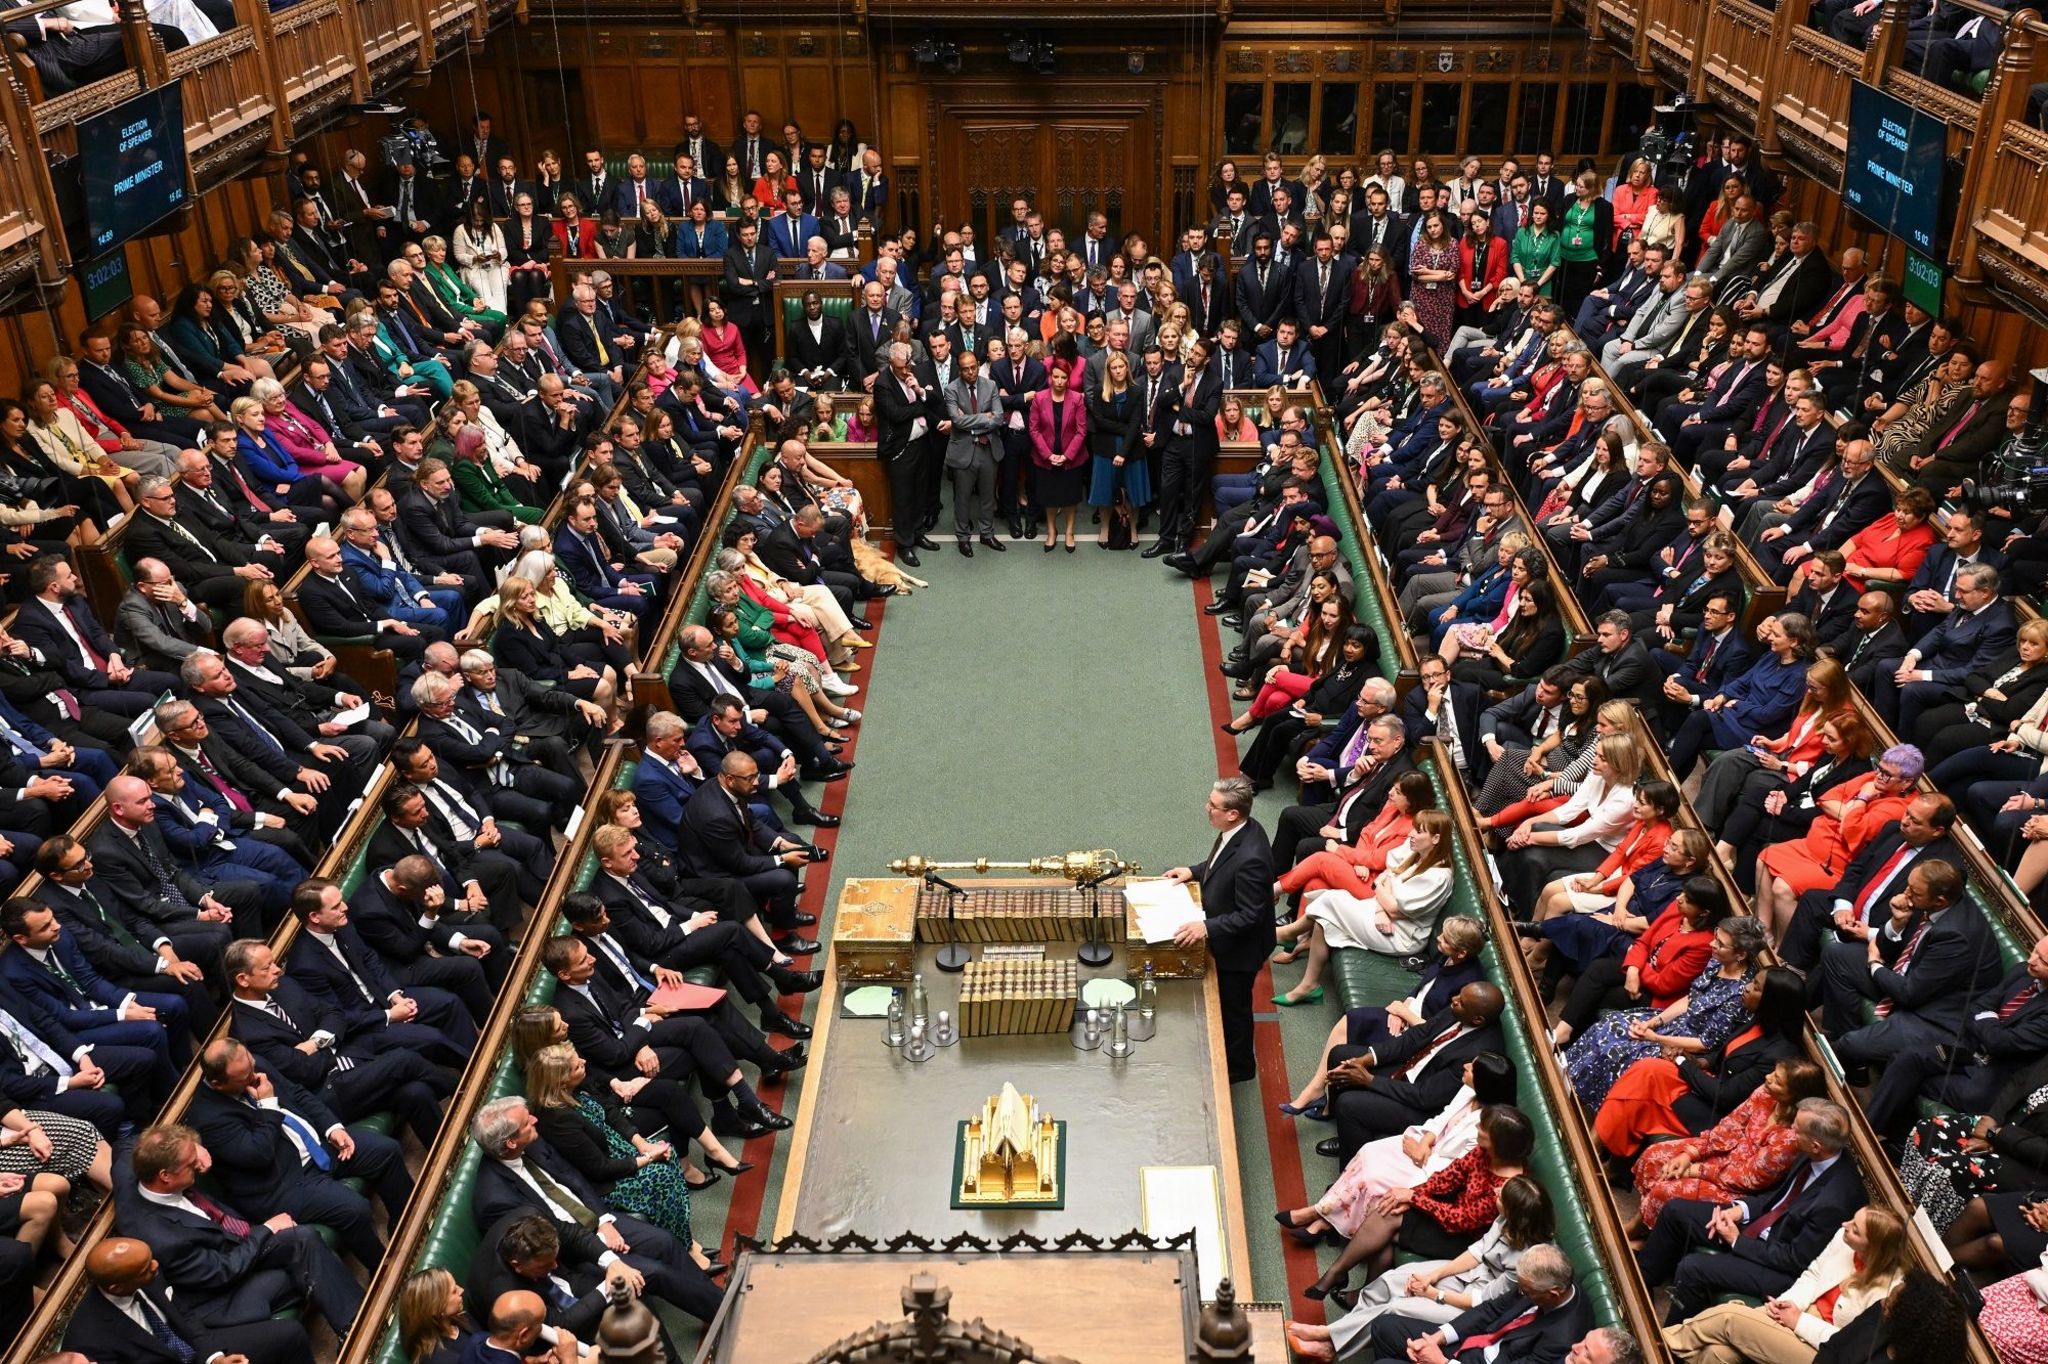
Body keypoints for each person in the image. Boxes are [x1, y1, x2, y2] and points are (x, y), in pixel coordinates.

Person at [1634, 1098, 1868, 1322]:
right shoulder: (1812, 1154)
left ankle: (1670, 1345)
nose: (1789, 1134)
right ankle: (1641, 1283)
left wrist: (1737, 1242)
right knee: (1676, 1211)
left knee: (1693, 1267)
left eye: (1796, 1131)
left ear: (1816, 1145)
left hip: (1781, 1269)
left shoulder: (1834, 1202)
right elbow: (1778, 1199)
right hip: (1762, 1228)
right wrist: (1739, 1210)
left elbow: (1795, 1260)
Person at [1562, 916, 1767, 1109]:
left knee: (1624, 1051)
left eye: (1721, 944)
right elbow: (1690, 999)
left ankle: (1586, 1105)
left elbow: (1707, 1044)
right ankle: (1566, 1078)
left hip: (1687, 1044)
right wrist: (1654, 1022)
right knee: (1611, 1025)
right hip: (1673, 1023)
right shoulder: (1716, 962)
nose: (1712, 945)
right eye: (1715, 937)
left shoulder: (1740, 994)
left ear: (1740, 955)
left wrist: (1656, 1038)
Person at [1664, 1208, 1909, 1364]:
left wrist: (1798, 1321)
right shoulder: (1843, 1239)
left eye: (1855, 1229)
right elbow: (1813, 1273)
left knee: (1730, 1316)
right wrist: (1788, 1304)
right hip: (1795, 1311)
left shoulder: (1891, 1292)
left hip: (1823, 1351)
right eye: (1852, 1220)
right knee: (1717, 1355)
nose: (1845, 1224)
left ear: (1873, 1248)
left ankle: (1658, 1344)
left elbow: (1851, 1344)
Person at [1626, 1058, 1831, 1238]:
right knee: (1654, 1157)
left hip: (1734, 1185)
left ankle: (1640, 1232)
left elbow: (1750, 1179)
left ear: (1795, 1096)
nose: (1768, 1078)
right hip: (1722, 1153)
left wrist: (1697, 1170)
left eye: (1777, 1080)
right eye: (1773, 1072)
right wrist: (1690, 1154)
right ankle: (1646, 1223)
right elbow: (1728, 1127)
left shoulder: (1791, 1138)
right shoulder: (1765, 1093)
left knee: (1666, 1190)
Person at [1275, 810, 1455, 1006]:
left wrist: (1382, 893)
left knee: (1330, 900)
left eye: (1419, 832)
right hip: (1381, 914)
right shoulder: (1416, 853)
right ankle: (1309, 985)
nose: (1411, 835)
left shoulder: (1438, 877)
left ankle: (1287, 933)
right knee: (1325, 919)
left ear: (1436, 838)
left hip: (1400, 935)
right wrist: (1382, 901)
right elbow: (1385, 877)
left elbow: (1394, 907)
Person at [1161, 777, 1274, 1084]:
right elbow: (1219, 863)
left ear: (1233, 813)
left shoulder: (1251, 857)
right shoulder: (1239, 830)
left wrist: (1205, 927)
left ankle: (1238, 1068)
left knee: (1234, 1008)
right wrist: (1194, 871)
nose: (1206, 808)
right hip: (1228, 933)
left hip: (1241, 951)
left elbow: (1251, 915)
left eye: (1213, 805)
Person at [396, 1266, 480, 1364]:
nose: (461, 1290)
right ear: (435, 1308)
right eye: (454, 1291)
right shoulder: (439, 1359)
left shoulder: (457, 1318)